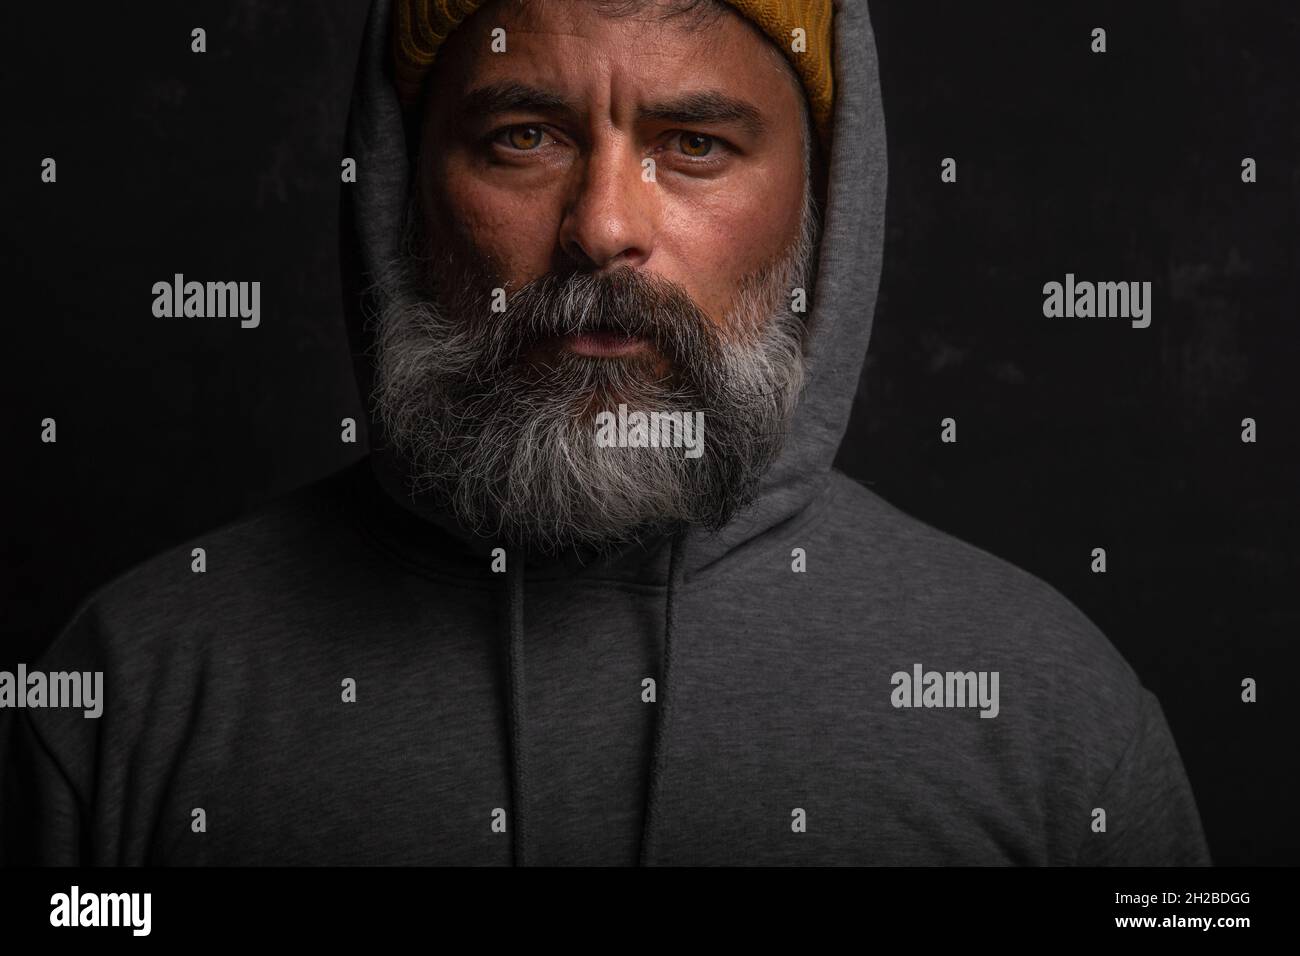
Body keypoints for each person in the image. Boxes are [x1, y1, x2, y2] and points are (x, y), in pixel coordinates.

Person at [0, 0, 1211, 866]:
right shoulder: (126, 691)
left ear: (825, 201)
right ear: (398, 189)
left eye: (694, 143)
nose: (601, 227)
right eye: (522, 134)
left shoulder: (1052, 712)